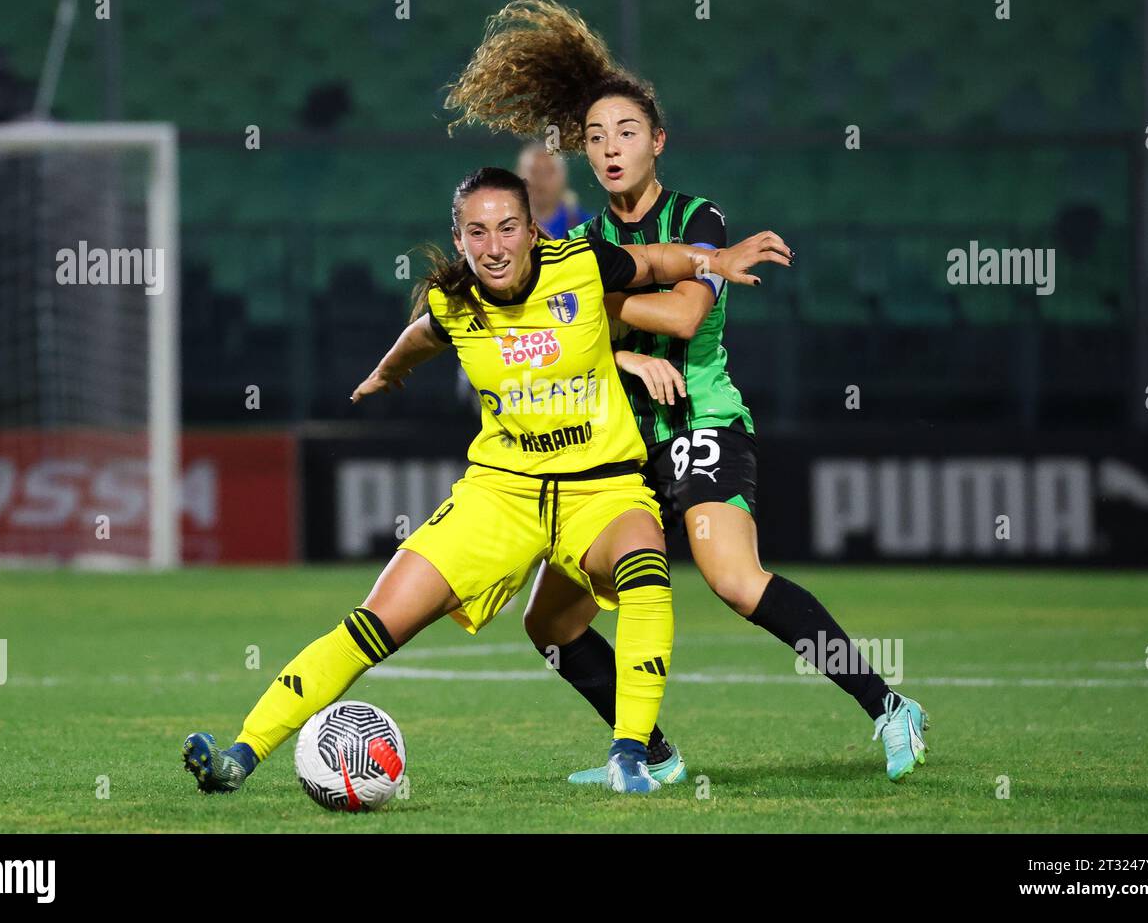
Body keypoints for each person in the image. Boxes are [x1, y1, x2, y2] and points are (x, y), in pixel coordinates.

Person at [181, 166, 790, 794]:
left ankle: (633, 755)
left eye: (506, 228)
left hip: (601, 488)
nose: (493, 246)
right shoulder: (454, 302)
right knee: (373, 622)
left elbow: (659, 260)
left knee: (645, 571)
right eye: (477, 232)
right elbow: (420, 336)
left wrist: (716, 257)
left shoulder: (580, 261)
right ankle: (240, 756)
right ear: (459, 236)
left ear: (531, 231)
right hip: (500, 494)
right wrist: (388, 373)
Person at [445, 0, 929, 783]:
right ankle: (654, 754)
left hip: (699, 419)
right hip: (614, 441)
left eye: (626, 133)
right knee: (549, 622)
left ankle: (889, 707)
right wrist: (619, 353)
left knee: (735, 581)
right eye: (595, 137)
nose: (609, 149)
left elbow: (680, 312)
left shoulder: (697, 216)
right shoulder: (578, 244)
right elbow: (556, 336)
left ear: (657, 142)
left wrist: (597, 303)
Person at [515, 141, 592, 239]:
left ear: (563, 177)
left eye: (548, 172)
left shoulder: (585, 227)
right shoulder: (505, 225)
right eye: (534, 171)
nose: (540, 179)